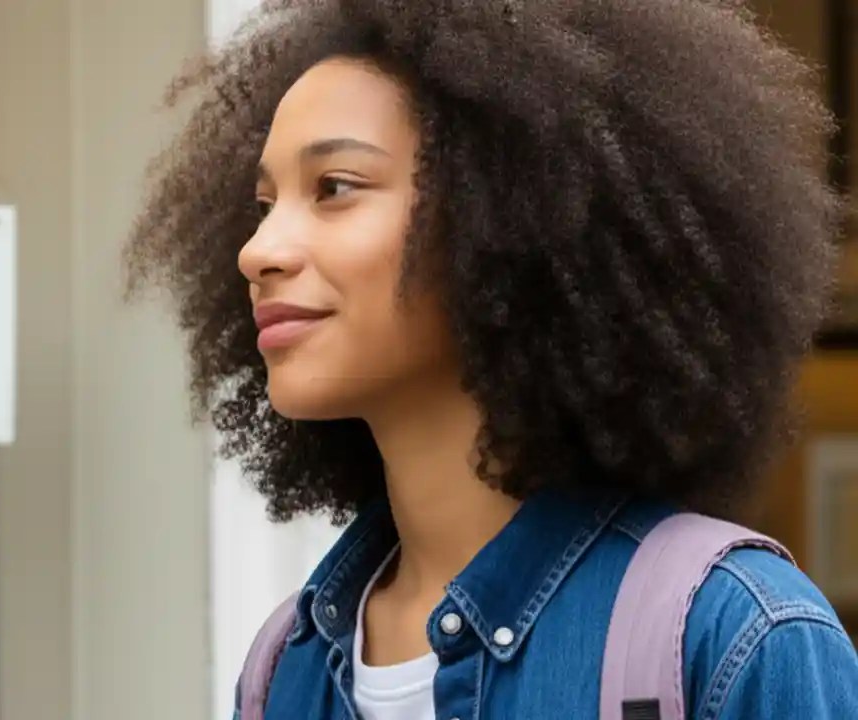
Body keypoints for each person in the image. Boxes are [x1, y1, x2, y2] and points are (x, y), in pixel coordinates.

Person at [124, 0, 858, 717]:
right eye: (262, 205)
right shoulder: (286, 665)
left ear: (510, 210)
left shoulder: (731, 635)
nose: (258, 251)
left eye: (335, 188)